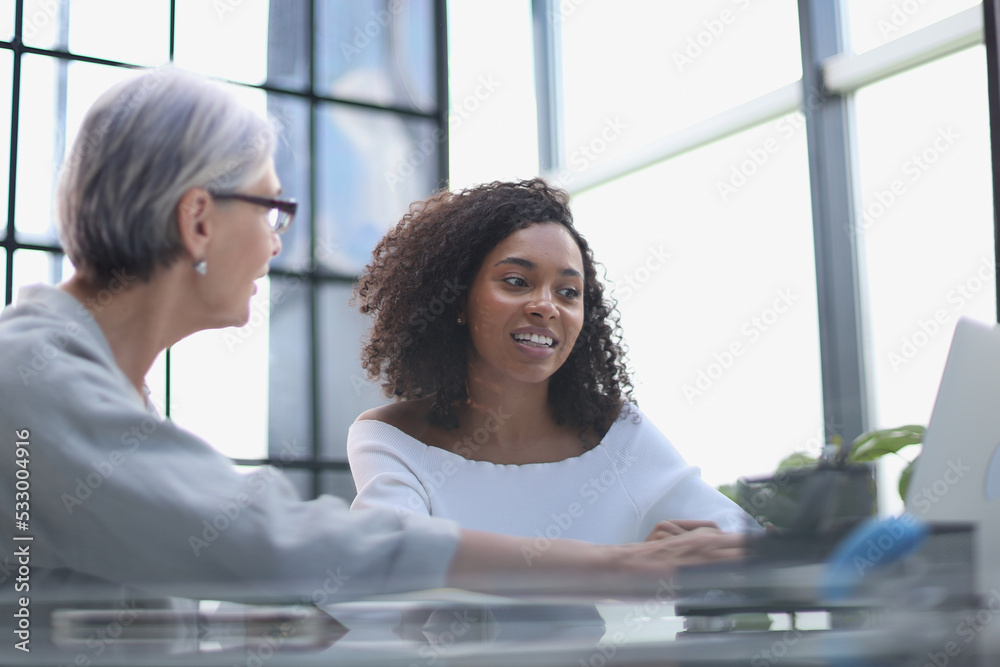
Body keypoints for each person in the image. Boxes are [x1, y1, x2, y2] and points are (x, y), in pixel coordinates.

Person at [0, 69, 743, 630]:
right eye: (272, 208)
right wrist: (612, 568)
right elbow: (261, 537)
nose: (275, 238)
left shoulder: (93, 386)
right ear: (198, 220)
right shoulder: (30, 382)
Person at [349, 179, 760, 545]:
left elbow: (743, 538)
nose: (546, 307)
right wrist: (626, 569)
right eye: (516, 282)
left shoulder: (618, 438)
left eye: (568, 292)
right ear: (457, 298)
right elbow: (396, 561)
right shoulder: (392, 439)